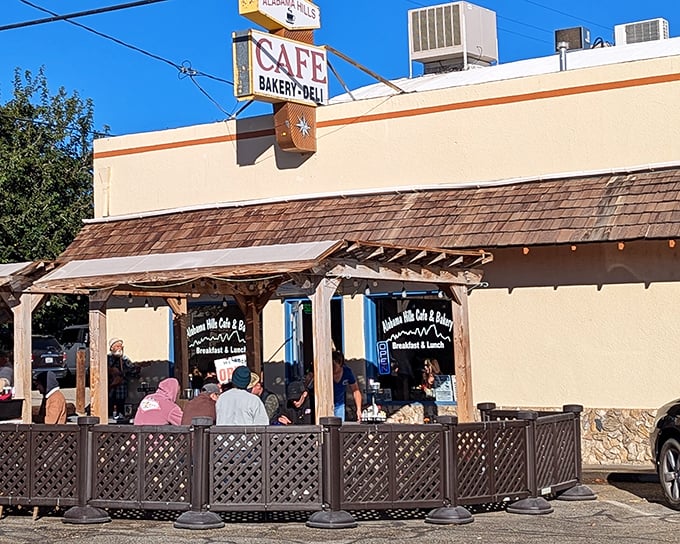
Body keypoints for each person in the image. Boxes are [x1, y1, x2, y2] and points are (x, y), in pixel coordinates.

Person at [108, 338, 139, 416]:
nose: (119, 348)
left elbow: (132, 371)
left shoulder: (124, 359)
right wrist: (111, 370)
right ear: (112, 348)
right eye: (117, 346)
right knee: (108, 407)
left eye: (121, 346)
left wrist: (137, 369)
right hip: (109, 389)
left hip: (121, 389)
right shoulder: (107, 358)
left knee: (120, 408)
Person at [332, 350, 362, 422]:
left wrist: (358, 409)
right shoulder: (326, 372)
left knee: (339, 426)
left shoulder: (347, 372)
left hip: (339, 405)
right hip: (326, 403)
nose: (332, 368)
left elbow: (355, 390)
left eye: (334, 365)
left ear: (340, 364)